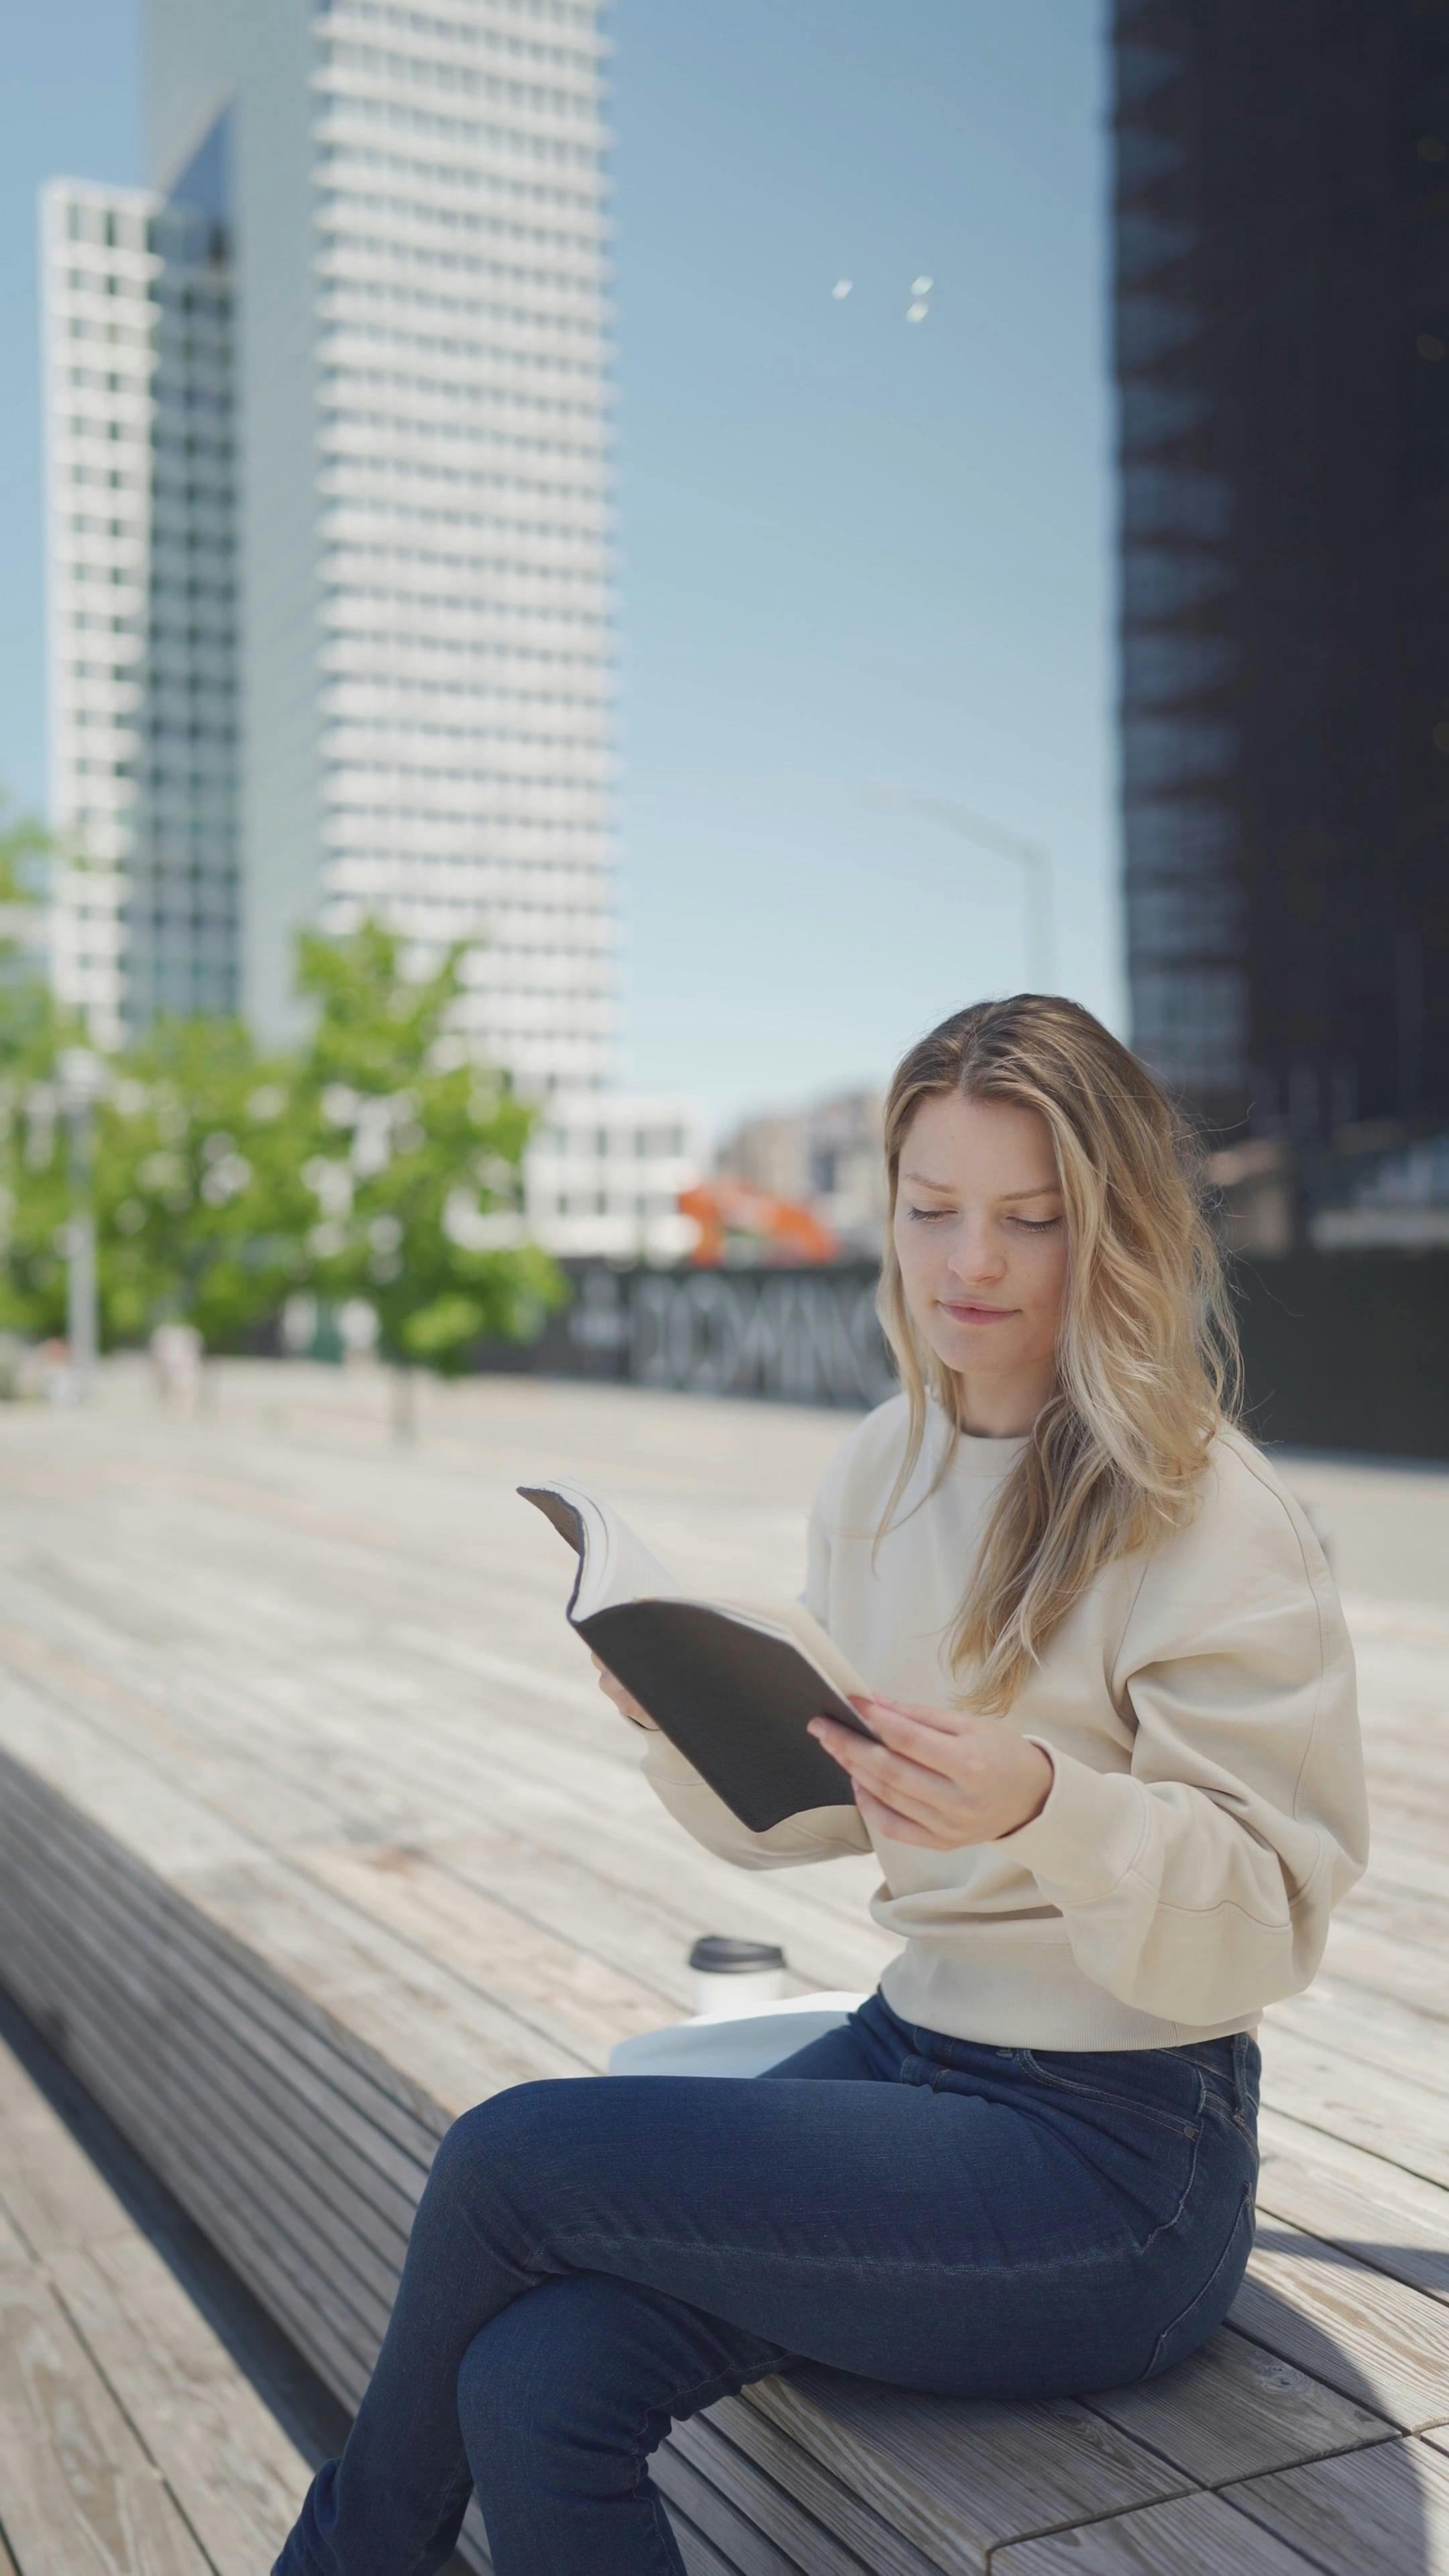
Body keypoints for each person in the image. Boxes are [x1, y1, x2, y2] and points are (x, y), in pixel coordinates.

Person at [273, 995, 1368, 2576]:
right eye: (931, 1212)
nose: (967, 1264)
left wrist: (1046, 1807)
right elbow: (823, 1810)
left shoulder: (1211, 1516)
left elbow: (1268, 1918)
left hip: (1125, 2162)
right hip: (915, 2058)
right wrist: (686, 1713)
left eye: (1029, 1220)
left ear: (1114, 1230)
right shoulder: (883, 1467)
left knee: (507, 2156)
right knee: (535, 2380)